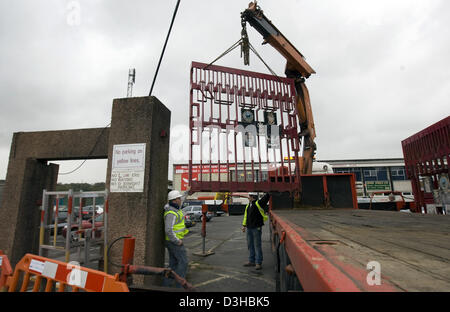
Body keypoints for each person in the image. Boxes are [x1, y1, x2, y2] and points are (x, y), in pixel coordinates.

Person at [163, 190, 189, 287]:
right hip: (174, 242)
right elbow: (168, 230)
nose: (180, 199)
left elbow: (182, 198)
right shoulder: (171, 213)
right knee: (183, 262)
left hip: (171, 241)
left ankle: (166, 284)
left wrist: (187, 191)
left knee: (173, 264)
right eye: (178, 198)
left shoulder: (175, 208)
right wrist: (177, 241)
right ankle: (180, 285)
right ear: (174, 200)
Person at [242, 192, 271, 270]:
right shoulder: (248, 205)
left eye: (249, 197)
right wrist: (244, 226)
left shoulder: (258, 203)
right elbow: (246, 216)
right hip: (249, 228)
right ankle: (252, 261)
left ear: (252, 197)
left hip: (256, 228)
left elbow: (265, 199)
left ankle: (258, 262)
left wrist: (269, 192)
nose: (248, 198)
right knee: (250, 244)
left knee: (257, 245)